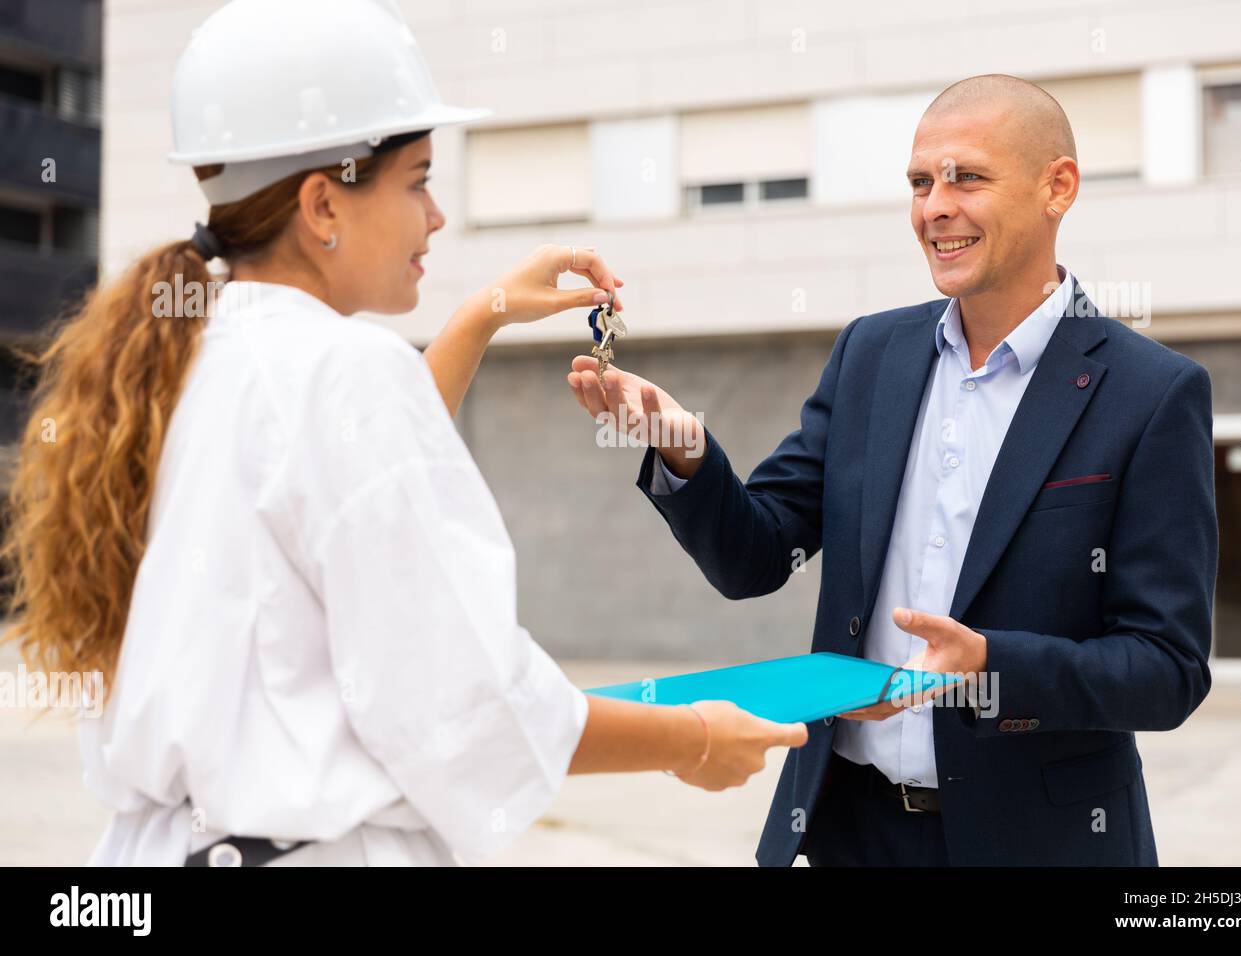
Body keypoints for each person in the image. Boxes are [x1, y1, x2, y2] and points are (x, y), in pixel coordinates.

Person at [0, 0, 805, 867]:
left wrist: (481, 315)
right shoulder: (341, 370)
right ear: (322, 205)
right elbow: (470, 703)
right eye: (418, 179)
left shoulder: (171, 360)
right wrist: (692, 739)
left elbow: (338, 479)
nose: (437, 216)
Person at [567, 74, 1216, 867]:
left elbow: (1165, 670)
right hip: (848, 831)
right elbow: (757, 558)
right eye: (920, 182)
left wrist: (989, 665)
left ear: (1059, 186)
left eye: (967, 177)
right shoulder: (871, 354)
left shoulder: (1151, 392)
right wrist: (682, 446)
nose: (934, 206)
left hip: (1040, 844)